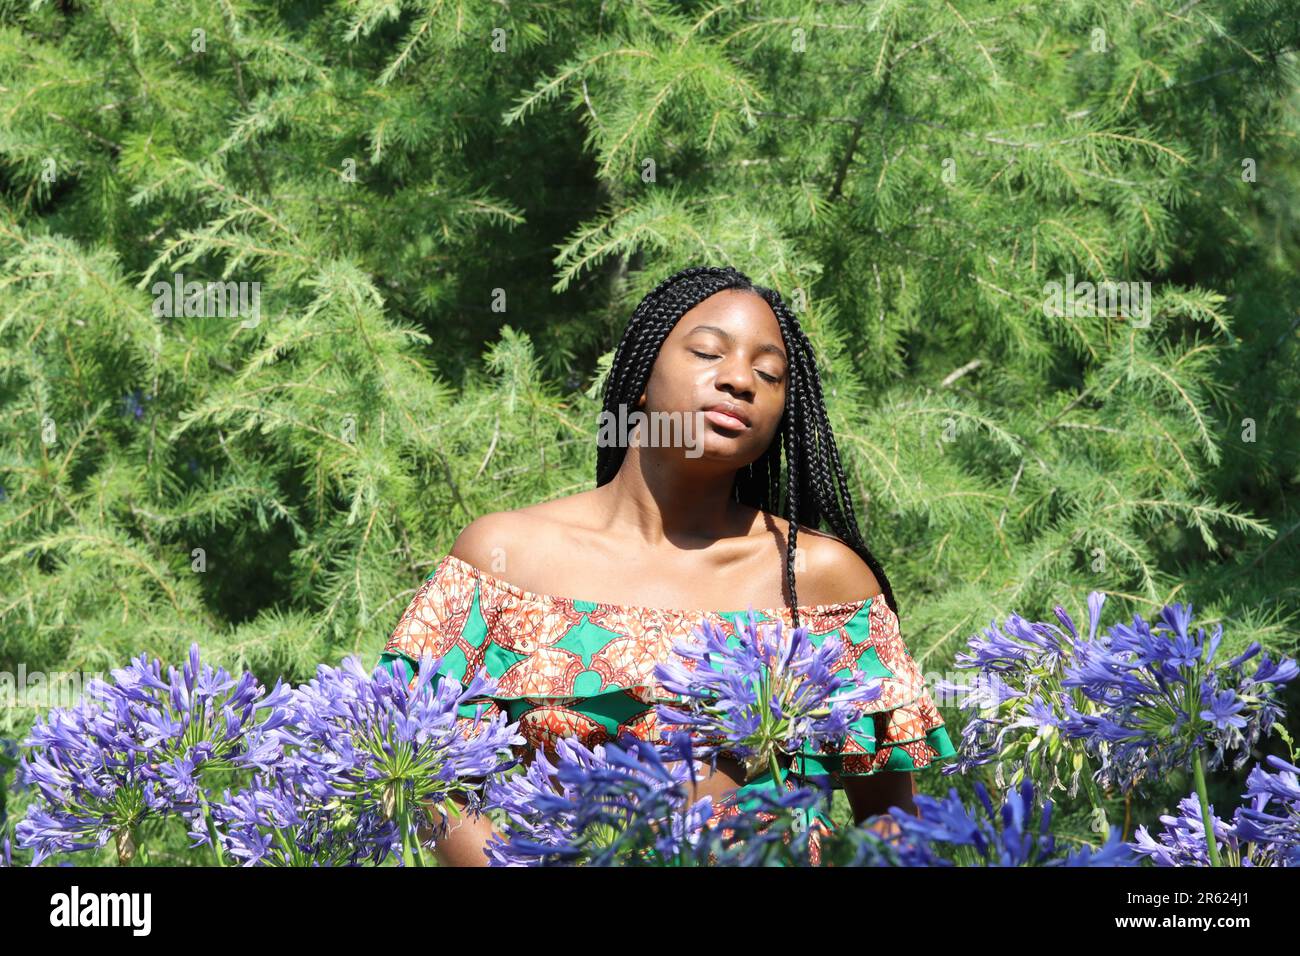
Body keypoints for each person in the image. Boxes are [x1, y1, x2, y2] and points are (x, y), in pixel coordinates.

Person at [375, 265, 956, 866]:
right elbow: (423, 778)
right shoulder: (505, 560)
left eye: (769, 374)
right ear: (642, 377)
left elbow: (890, 823)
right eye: (708, 352)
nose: (739, 381)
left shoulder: (820, 578)